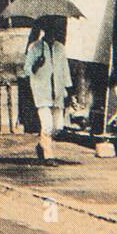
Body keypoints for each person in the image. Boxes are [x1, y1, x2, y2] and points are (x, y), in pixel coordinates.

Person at [23, 15, 71, 165]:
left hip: (58, 92)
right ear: (44, 30)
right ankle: (49, 155)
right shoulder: (35, 47)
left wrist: (68, 89)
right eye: (49, 29)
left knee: (58, 127)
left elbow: (65, 69)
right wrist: (37, 64)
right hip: (42, 91)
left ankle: (42, 145)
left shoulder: (60, 48)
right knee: (47, 124)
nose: (52, 33)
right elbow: (26, 70)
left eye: (54, 29)